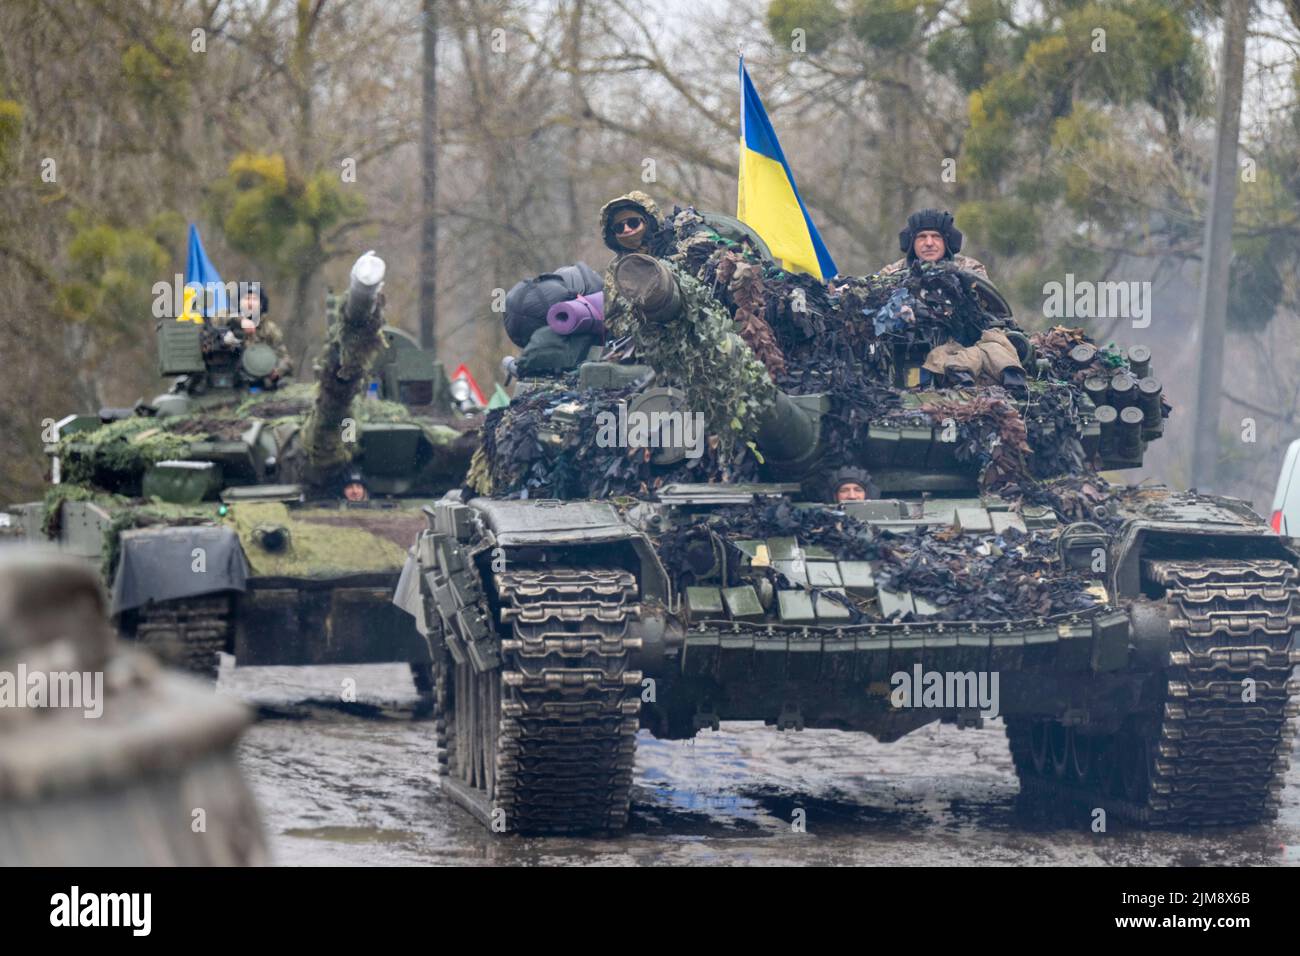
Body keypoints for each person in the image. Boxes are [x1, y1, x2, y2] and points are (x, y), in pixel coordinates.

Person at [598, 190, 663, 339]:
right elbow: (612, 319)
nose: (627, 229)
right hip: (644, 340)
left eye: (633, 223)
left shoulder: (675, 249)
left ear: (648, 221)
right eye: (619, 227)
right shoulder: (616, 269)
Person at [880, 209, 988, 279]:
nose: (929, 243)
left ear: (946, 241)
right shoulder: (895, 271)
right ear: (912, 243)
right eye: (921, 237)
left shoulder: (968, 267)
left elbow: (991, 305)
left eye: (936, 236)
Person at [235, 282, 293, 383]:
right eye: (246, 298)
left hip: (261, 382)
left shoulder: (270, 329)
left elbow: (286, 359)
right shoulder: (227, 322)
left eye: (254, 299)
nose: (250, 303)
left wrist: (278, 371)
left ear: (261, 304)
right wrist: (240, 321)